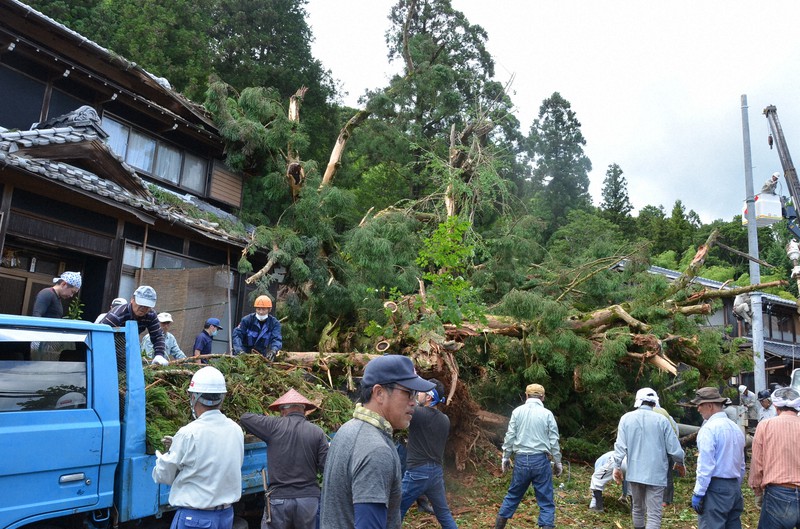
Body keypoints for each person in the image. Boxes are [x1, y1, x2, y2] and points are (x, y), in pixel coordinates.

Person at [320, 354, 435, 529]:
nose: (414, 402)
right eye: (408, 392)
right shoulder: (376, 450)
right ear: (379, 393)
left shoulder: (347, 429)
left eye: (415, 394)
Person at [152, 366, 244, 529]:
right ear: (222, 398)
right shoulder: (235, 429)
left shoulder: (188, 433)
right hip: (225, 516)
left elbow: (164, 476)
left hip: (195, 519)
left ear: (194, 397)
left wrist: (167, 454)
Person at [241, 389, 328, 529]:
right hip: (308, 500)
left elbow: (245, 418)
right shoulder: (317, 432)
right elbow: (327, 467)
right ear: (304, 411)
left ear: (283, 411)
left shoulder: (273, 426)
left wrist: (271, 421)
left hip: (279, 501)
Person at [611, 387, 685, 529]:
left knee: (638, 509)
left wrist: (617, 466)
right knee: (654, 513)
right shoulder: (662, 420)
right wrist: (679, 462)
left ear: (638, 402)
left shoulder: (626, 419)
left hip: (635, 472)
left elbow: (620, 446)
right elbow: (674, 449)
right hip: (656, 474)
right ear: (654, 403)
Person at [494, 383, 562, 529]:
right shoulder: (547, 414)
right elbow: (554, 441)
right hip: (541, 460)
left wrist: (505, 457)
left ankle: (499, 526)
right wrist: (558, 462)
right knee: (546, 501)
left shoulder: (517, 412)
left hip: (521, 460)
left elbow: (510, 435)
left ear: (526, 395)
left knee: (513, 495)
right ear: (543, 397)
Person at [399, 378, 457, 528]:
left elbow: (401, 413)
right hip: (436, 473)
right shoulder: (445, 420)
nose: (418, 394)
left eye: (421, 392)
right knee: (443, 514)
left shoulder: (418, 414)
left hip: (417, 472)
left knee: (396, 509)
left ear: (429, 397)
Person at [690, 387, 746, 529]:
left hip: (715, 487)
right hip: (734, 487)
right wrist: (735, 485)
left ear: (710, 405)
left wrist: (699, 492)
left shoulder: (709, 429)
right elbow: (741, 464)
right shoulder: (736, 428)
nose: (698, 409)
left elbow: (705, 465)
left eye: (700, 405)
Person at [749, 386, 800, 528]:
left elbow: (757, 463)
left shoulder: (765, 425)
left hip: (778, 494)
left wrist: (757, 490)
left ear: (776, 405)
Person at [100, 286, 166, 365]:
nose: (143, 308)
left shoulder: (151, 315)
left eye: (147, 306)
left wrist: (159, 354)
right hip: (108, 348)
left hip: (130, 347)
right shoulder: (116, 316)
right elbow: (100, 337)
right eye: (141, 304)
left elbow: (157, 336)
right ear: (132, 300)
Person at [233, 295, 282, 361]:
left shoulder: (274, 324)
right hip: (244, 355)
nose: (261, 312)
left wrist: (274, 350)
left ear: (269, 309)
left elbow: (276, 339)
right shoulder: (247, 320)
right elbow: (237, 336)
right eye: (258, 309)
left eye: (264, 309)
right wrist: (239, 351)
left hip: (262, 357)